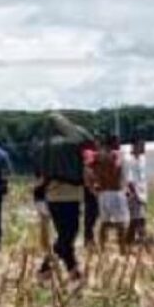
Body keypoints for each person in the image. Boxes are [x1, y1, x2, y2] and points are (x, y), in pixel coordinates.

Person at [39, 113, 91, 280]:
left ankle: (71, 270)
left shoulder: (43, 145)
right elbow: (87, 140)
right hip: (71, 193)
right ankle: (49, 267)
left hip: (53, 194)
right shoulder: (72, 142)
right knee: (69, 234)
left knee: (65, 234)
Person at [87, 134, 129, 254]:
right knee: (121, 222)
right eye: (118, 143)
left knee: (104, 222)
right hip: (116, 191)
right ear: (114, 143)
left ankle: (102, 248)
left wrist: (92, 186)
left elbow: (88, 170)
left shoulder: (98, 156)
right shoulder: (116, 155)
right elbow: (117, 167)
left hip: (103, 192)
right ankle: (122, 249)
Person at [125, 138, 149, 250]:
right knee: (140, 219)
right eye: (141, 146)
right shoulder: (130, 161)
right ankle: (143, 243)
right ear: (134, 146)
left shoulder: (142, 160)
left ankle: (127, 242)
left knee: (135, 220)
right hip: (135, 194)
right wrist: (136, 195)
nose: (144, 148)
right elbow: (130, 181)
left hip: (142, 193)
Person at [81, 139, 100, 250]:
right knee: (90, 216)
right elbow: (87, 176)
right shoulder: (88, 154)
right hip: (89, 191)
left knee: (92, 216)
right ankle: (89, 240)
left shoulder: (91, 153)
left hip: (91, 190)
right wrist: (94, 191)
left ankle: (89, 239)